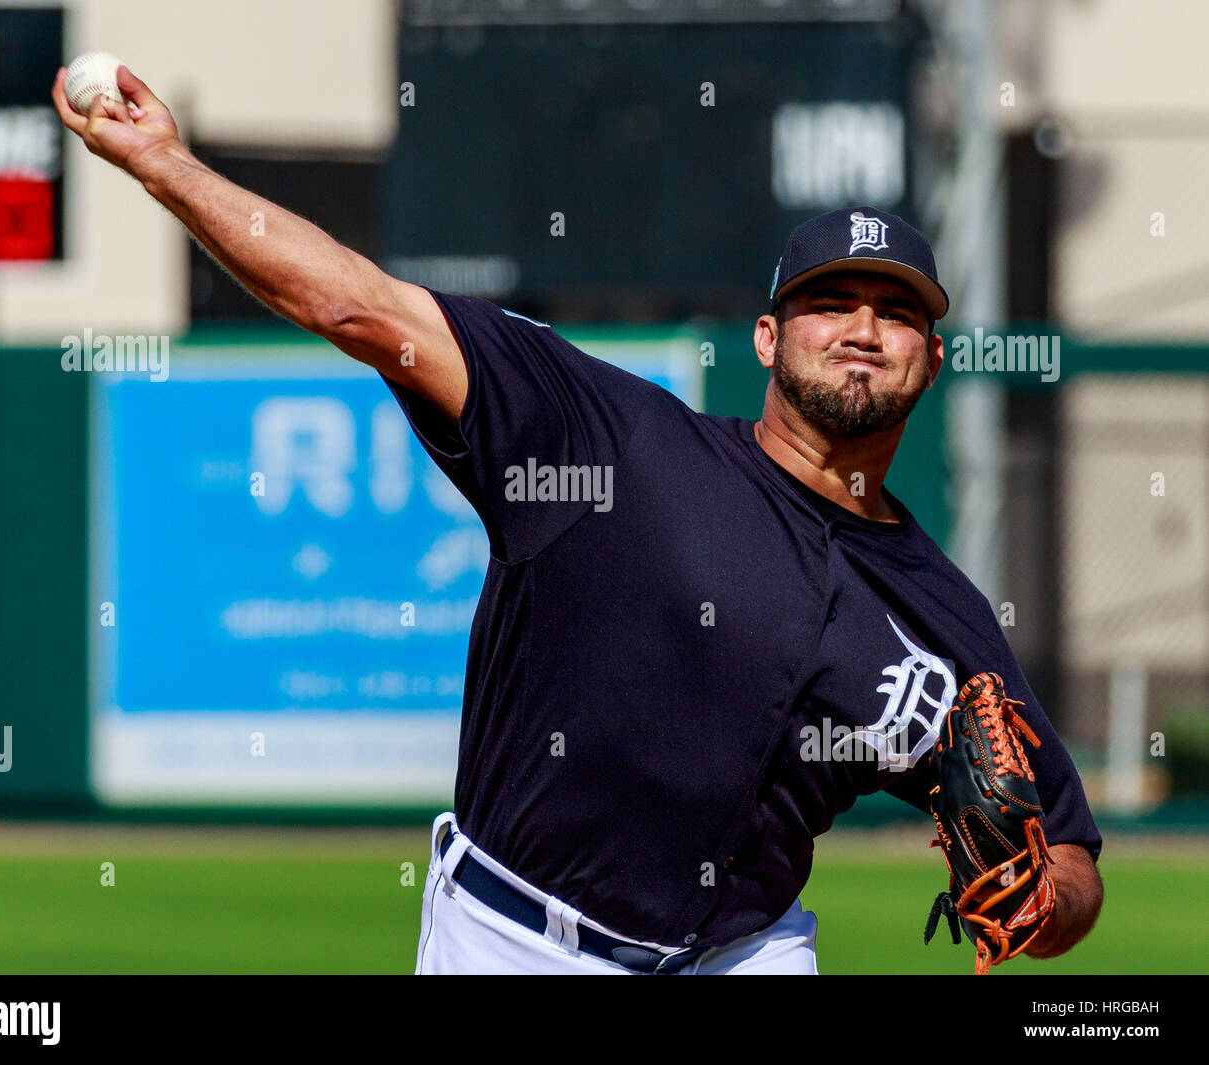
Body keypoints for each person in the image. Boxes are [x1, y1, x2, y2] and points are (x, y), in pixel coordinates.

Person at [54, 66, 1103, 975]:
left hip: (748, 950)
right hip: (516, 938)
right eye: (832, 303)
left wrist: (1042, 898)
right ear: (768, 338)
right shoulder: (611, 444)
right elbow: (359, 305)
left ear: (933, 355)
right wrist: (163, 165)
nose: (863, 331)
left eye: (898, 311)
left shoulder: (942, 611)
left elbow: (1068, 857)